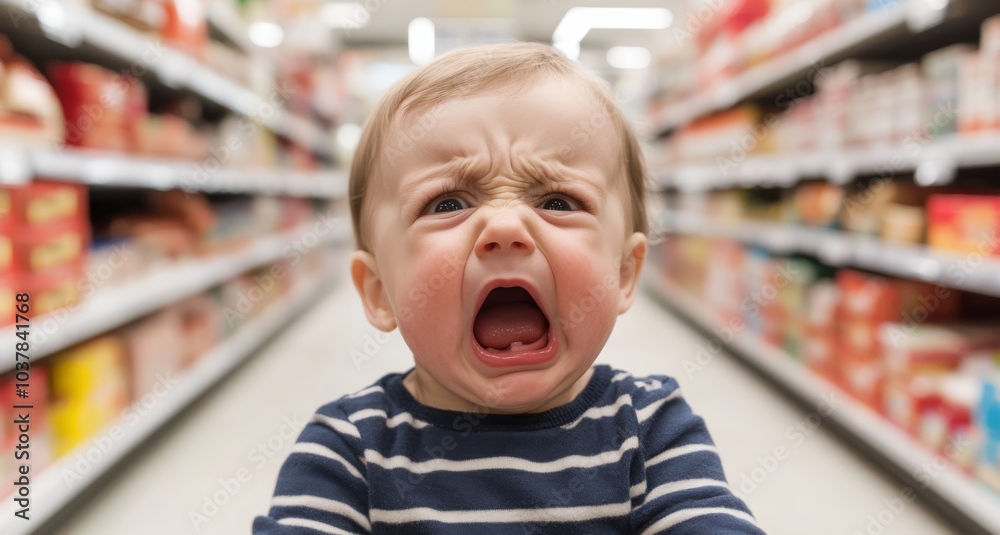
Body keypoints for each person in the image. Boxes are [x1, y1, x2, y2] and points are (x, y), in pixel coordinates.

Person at [252, 42, 766, 535]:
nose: (504, 228)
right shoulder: (349, 451)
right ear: (380, 291)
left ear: (624, 274)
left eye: (559, 201)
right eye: (447, 204)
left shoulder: (650, 428)